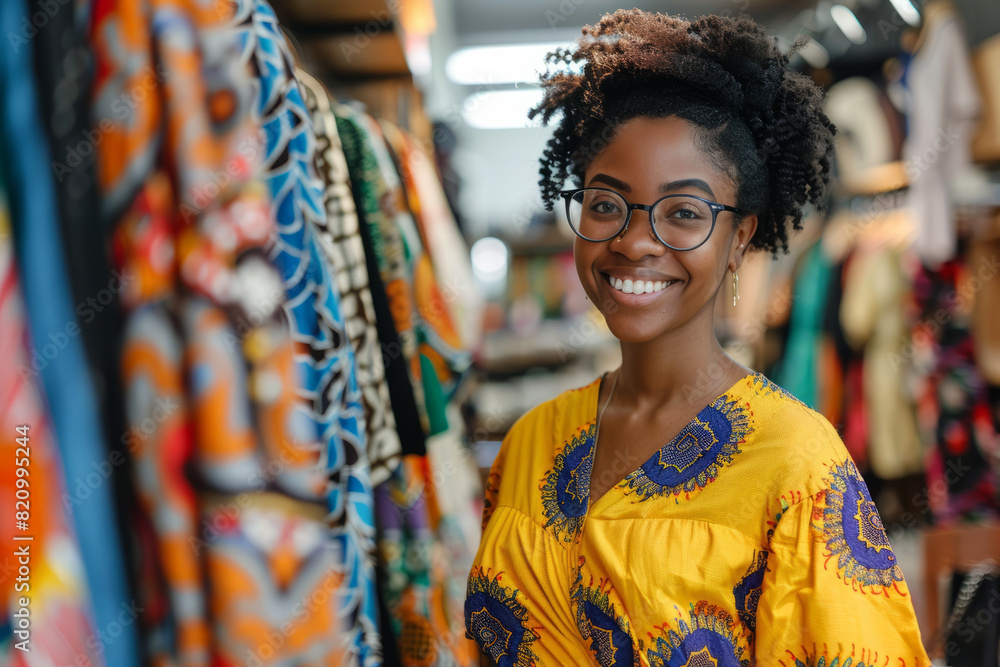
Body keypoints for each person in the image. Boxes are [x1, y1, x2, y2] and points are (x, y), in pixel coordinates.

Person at [464, 9, 930, 666]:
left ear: (741, 236)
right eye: (605, 203)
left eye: (683, 212)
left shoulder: (796, 464)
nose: (633, 240)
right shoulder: (529, 444)